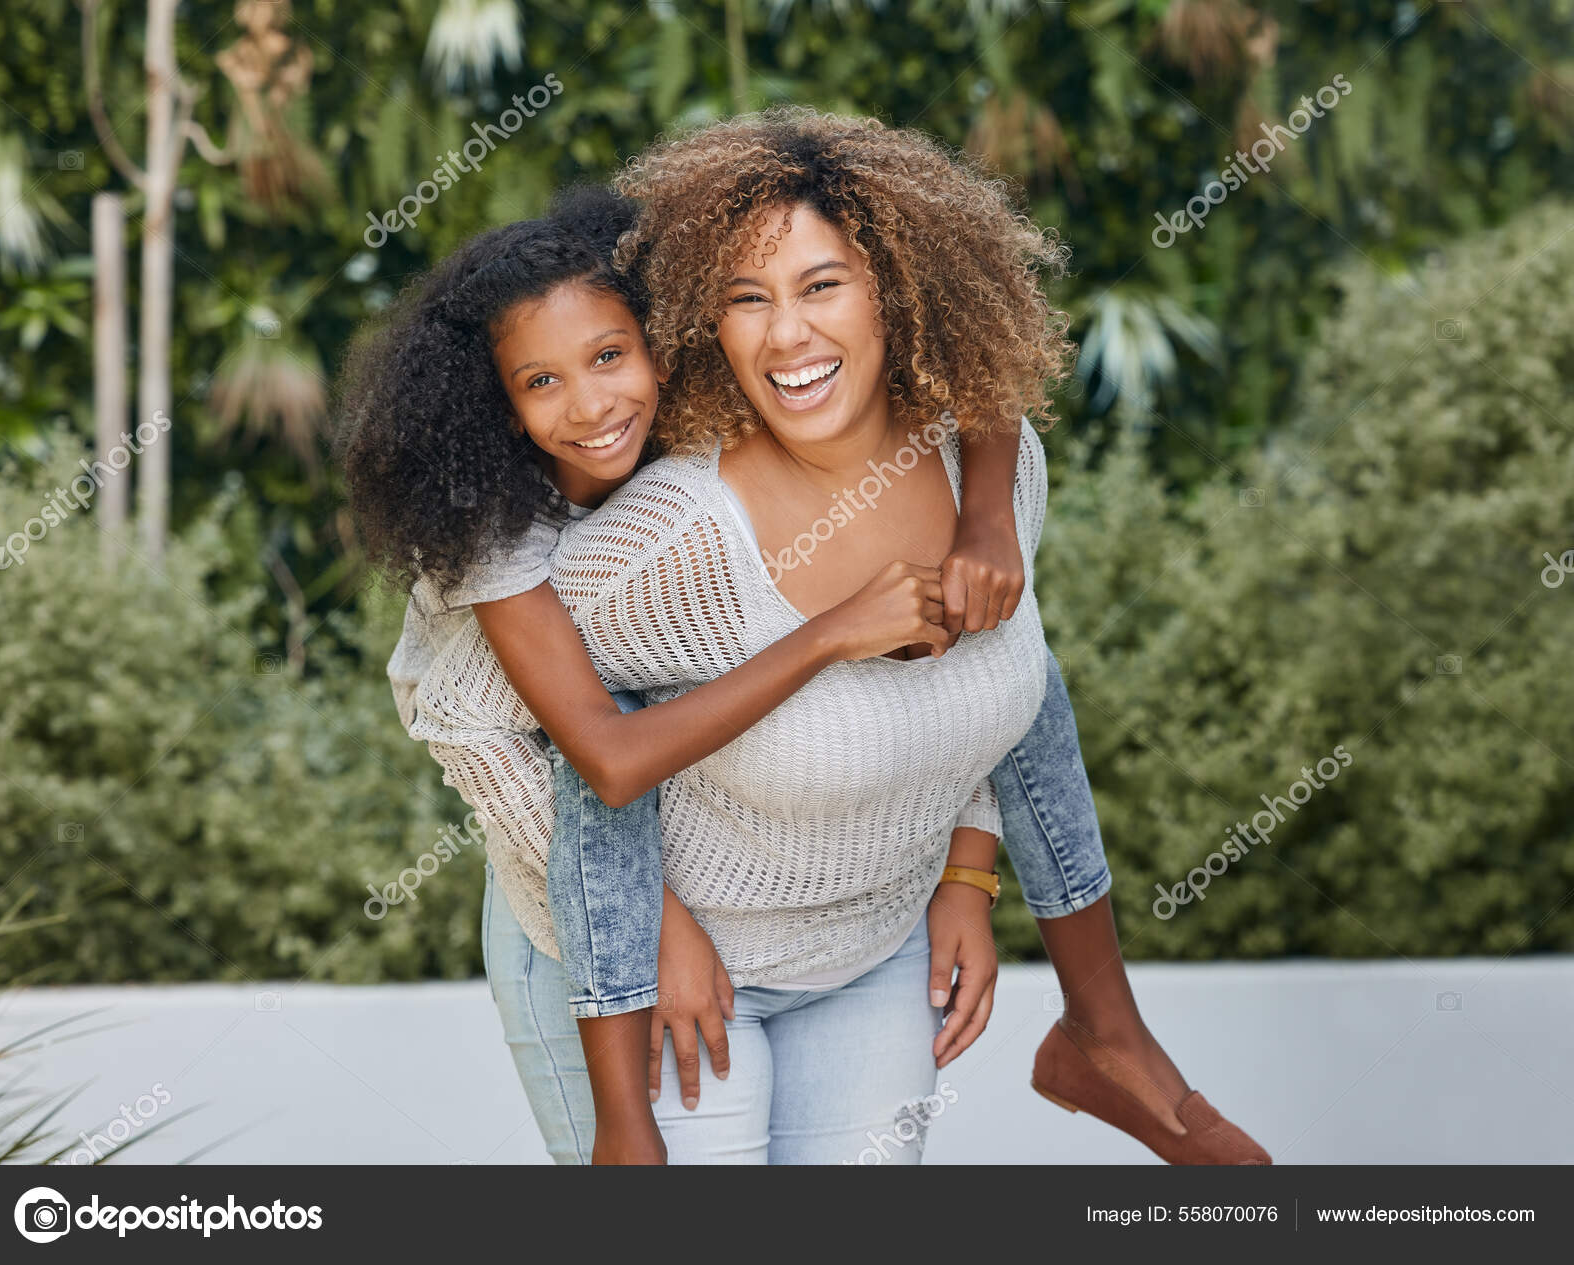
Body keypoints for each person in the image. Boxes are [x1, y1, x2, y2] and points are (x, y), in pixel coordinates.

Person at [409, 109, 1271, 1164]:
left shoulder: (970, 460)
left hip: (862, 946)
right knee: (613, 723)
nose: (785, 333)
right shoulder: (593, 544)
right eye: (746, 299)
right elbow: (521, 737)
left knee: (1013, 654)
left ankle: (1106, 1028)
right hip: (636, 951)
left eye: (822, 285)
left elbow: (979, 417)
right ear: (705, 325)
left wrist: (965, 866)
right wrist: (653, 931)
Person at [341, 185, 1025, 1163]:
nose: (589, 405)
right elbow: (592, 763)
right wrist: (657, 929)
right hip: (578, 911)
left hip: (811, 926)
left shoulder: (700, 426)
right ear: (496, 403)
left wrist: (967, 863)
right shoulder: (494, 539)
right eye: (540, 383)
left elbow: (971, 379)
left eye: (609, 356)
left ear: (660, 340)